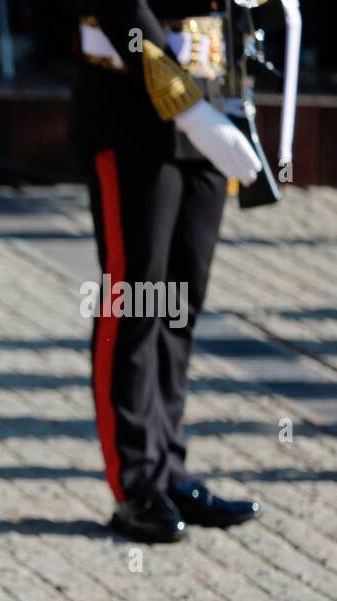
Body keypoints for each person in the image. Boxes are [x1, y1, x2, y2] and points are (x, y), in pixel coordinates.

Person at [74, 1, 264, 542]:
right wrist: (188, 108)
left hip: (211, 96)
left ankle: (167, 465)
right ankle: (134, 482)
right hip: (132, 106)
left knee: (180, 301)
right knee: (135, 300)